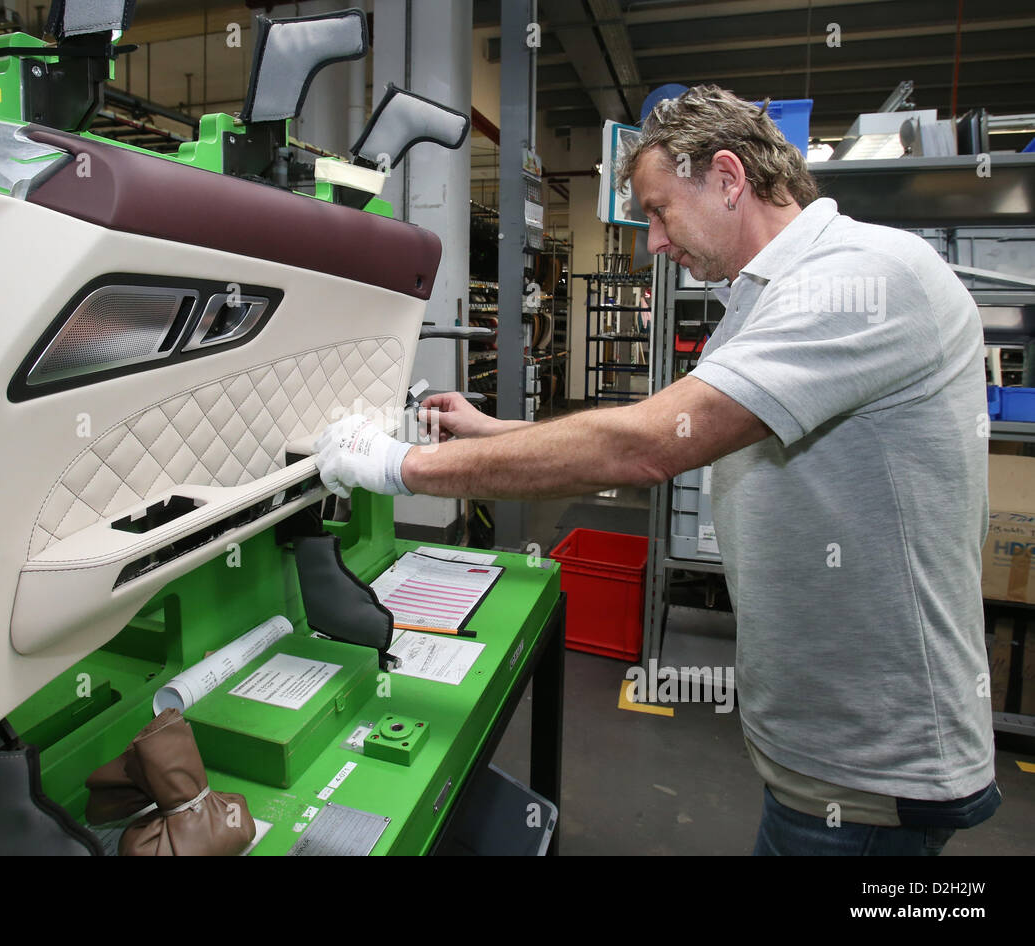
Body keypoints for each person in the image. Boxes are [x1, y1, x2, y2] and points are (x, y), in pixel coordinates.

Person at [314, 85, 1000, 855]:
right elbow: (662, 439)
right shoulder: (758, 302)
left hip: (874, 766)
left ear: (729, 178)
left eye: (658, 210)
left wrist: (399, 466)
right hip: (819, 746)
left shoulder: (863, 277)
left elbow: (646, 446)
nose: (652, 242)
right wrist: (491, 432)